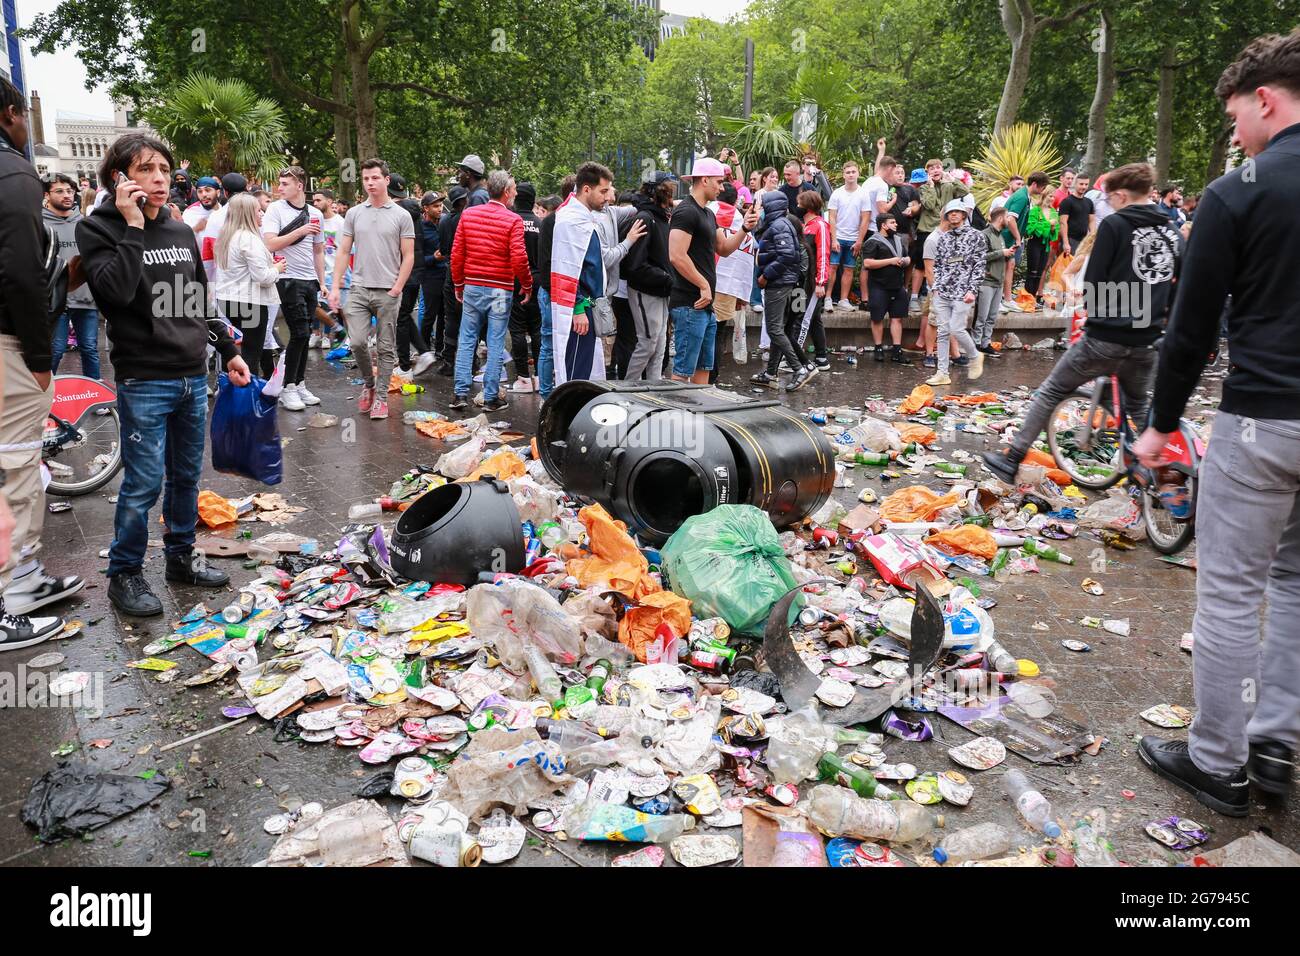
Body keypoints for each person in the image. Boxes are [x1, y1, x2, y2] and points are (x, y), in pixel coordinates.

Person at [1133, 29, 1300, 814]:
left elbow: (1191, 330)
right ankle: (1275, 745)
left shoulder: (1241, 189)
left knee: (1230, 593)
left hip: (1265, 418)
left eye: (1237, 116)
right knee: (1297, 585)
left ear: (1266, 100)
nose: (1234, 132)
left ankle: (1216, 762)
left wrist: (1159, 422)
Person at [77, 132, 251, 616]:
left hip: (192, 374)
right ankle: (125, 574)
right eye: (145, 170)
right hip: (144, 377)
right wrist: (133, 225)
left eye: (163, 169)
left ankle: (180, 558)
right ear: (120, 178)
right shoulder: (99, 229)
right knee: (143, 482)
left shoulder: (179, 231)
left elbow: (197, 299)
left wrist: (230, 350)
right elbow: (114, 293)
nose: (159, 178)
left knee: (185, 477)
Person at [983, 161, 1181, 485]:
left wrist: (1099, 313)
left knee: (1051, 391)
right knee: (1138, 406)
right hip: (1147, 340)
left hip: (1107, 335)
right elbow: (1180, 284)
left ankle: (1012, 457)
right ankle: (1154, 472)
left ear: (1120, 195)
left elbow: (1095, 281)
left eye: (1109, 199)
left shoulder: (1115, 226)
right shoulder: (1171, 232)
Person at [0, 80, 84, 646]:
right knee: (16, 466)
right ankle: (11, 597)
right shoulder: (13, 175)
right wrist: (38, 355)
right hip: (9, 346)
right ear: (12, 115)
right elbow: (21, 274)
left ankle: (26, 579)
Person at [330, 158, 416, 422]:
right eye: (366, 178)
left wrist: (397, 288)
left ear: (386, 180)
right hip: (358, 288)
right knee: (356, 342)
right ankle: (369, 383)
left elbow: (408, 255)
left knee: (386, 347)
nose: (370, 183)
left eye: (375, 178)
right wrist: (335, 287)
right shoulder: (354, 213)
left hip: (388, 290)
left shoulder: (402, 215)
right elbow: (343, 250)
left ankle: (380, 398)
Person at [668, 158, 759, 385]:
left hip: (706, 306)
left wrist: (745, 228)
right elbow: (676, 255)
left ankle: (698, 417)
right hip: (690, 303)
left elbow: (724, 248)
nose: (722, 188)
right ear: (705, 180)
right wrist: (703, 284)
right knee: (682, 371)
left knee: (703, 370)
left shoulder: (708, 214)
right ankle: (676, 418)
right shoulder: (686, 211)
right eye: (719, 182)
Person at [449, 169, 531, 412]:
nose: (515, 193)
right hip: (499, 289)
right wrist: (526, 284)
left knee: (467, 339)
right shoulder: (513, 220)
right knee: (495, 341)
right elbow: (518, 257)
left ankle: (460, 393)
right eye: (514, 189)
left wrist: (458, 283)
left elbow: (457, 254)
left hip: (473, 284)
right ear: (506, 192)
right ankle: (491, 396)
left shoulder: (469, 214)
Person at [263, 165, 326, 410]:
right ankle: (287, 387)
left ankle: (299, 383)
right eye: (279, 183)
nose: (279, 188)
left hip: (310, 280)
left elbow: (318, 249)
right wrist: (300, 230)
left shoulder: (315, 214)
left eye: (285, 184)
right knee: (298, 333)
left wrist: (321, 281)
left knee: (306, 333)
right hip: (287, 279)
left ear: (300, 186)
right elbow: (270, 243)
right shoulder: (275, 210)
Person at [213, 193, 285, 378]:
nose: (262, 214)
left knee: (239, 351)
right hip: (250, 302)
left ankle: (234, 391)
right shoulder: (249, 239)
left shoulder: (225, 238)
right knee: (251, 354)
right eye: (258, 210)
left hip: (227, 301)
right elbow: (262, 277)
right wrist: (277, 268)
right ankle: (246, 398)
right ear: (247, 214)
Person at [749, 189, 812, 391]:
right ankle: (770, 373)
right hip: (783, 282)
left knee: (775, 329)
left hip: (778, 283)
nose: (760, 209)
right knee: (779, 329)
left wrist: (766, 275)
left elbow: (786, 256)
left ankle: (799, 369)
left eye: (762, 205)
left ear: (770, 206)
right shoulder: (777, 224)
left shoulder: (779, 225)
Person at [923, 199, 986, 387]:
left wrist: (972, 290)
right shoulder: (943, 237)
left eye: (957, 212)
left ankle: (975, 355)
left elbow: (980, 265)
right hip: (943, 291)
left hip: (963, 292)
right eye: (950, 212)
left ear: (964, 215)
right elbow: (939, 265)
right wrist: (936, 287)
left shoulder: (976, 236)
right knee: (942, 331)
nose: (953, 215)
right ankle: (942, 372)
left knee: (956, 328)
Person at [44, 174, 101, 379]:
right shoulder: (39, 224)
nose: (67, 195)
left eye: (69, 191)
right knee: (56, 350)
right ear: (46, 195)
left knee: (89, 349)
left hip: (86, 299)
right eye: (59, 191)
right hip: (55, 301)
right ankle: (42, 398)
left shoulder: (85, 223)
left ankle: (97, 397)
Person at [621, 171, 676, 382]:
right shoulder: (646, 217)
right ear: (660, 192)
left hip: (660, 290)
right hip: (646, 291)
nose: (673, 193)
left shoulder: (660, 217)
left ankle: (654, 388)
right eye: (670, 189)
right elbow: (635, 264)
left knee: (659, 343)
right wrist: (665, 278)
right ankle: (628, 389)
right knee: (648, 342)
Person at [593, 179, 645, 380]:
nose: (610, 191)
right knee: (604, 338)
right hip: (592, 297)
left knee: (611, 337)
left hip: (608, 293)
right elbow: (606, 258)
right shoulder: (592, 219)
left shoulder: (610, 212)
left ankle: (604, 376)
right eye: (606, 188)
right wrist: (629, 241)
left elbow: (635, 208)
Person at [389, 174, 435, 380]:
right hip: (416, 271)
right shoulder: (414, 211)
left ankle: (405, 366)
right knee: (405, 315)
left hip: (403, 272)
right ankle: (423, 353)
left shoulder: (395, 213)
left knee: (401, 318)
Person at [912, 159, 971, 310]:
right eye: (931, 169)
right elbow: (930, 204)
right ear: (928, 173)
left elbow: (965, 191)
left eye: (938, 167)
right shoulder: (924, 188)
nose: (935, 170)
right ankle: (914, 296)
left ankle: (947, 291)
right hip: (927, 230)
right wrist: (931, 186)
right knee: (921, 265)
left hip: (946, 230)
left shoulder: (949, 185)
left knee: (948, 260)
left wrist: (953, 179)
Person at [535, 178, 574, 399]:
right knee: (551, 343)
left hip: (553, 291)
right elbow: (548, 261)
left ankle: (548, 396)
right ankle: (548, 396)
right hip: (554, 292)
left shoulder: (552, 220)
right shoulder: (556, 221)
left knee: (550, 344)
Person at [860, 212, 912, 363]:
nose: (896, 224)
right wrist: (890, 261)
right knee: (877, 319)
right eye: (892, 222)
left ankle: (897, 350)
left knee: (897, 319)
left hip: (897, 286)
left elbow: (906, 257)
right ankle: (878, 348)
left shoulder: (898, 239)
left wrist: (906, 260)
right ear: (883, 225)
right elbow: (867, 263)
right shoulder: (872, 241)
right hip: (879, 286)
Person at [508, 180, 542, 393]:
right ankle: (539, 376)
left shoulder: (510, 222)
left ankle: (522, 377)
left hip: (515, 280)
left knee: (518, 329)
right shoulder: (541, 223)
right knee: (538, 328)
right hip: (538, 280)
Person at [795, 190, 831, 369]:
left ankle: (796, 358)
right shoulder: (803, 226)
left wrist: (820, 282)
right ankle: (821, 357)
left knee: (804, 318)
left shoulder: (821, 226)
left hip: (812, 283)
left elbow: (823, 254)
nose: (797, 207)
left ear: (808, 206)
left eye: (799, 204)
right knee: (810, 317)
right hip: (799, 281)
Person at [826, 161, 868, 312]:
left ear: (858, 173)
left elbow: (865, 218)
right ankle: (828, 298)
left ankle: (844, 299)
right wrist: (834, 238)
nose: (850, 174)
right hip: (838, 236)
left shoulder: (863, 193)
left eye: (853, 172)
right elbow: (832, 217)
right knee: (832, 267)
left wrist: (859, 241)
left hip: (853, 239)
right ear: (843, 174)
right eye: (848, 172)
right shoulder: (837, 193)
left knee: (849, 269)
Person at [436, 185, 469, 377]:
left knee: (451, 318)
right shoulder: (467, 219)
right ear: (464, 201)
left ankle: (448, 360)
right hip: (466, 272)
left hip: (450, 271)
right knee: (469, 319)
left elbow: (444, 248)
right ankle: (469, 362)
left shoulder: (444, 221)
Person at [973, 206, 1016, 352]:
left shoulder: (1000, 235)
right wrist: (1001, 252)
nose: (1009, 220)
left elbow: (999, 254)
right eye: (1007, 217)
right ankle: (976, 344)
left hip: (998, 281)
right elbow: (979, 256)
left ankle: (986, 343)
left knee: (992, 316)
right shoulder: (984, 234)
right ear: (1000, 218)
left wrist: (1007, 253)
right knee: (982, 316)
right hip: (987, 281)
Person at [1004, 171, 1050, 303]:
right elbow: (1010, 219)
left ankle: (1006, 298)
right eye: (1042, 187)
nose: (1043, 191)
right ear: (1035, 184)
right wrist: (1018, 238)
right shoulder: (1022, 197)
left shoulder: (1026, 196)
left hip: (1011, 238)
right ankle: (1005, 300)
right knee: (1005, 268)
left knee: (1010, 266)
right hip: (1006, 237)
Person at [310, 188, 348, 348]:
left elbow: (348, 251)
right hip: (318, 273)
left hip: (337, 273)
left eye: (319, 200)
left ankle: (350, 340)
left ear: (330, 202)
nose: (315, 203)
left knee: (344, 311)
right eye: (314, 201)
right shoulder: (313, 221)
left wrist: (341, 276)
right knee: (314, 306)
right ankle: (325, 331)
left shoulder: (341, 223)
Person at [418, 191, 446, 361]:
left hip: (446, 275)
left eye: (440, 205)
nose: (439, 209)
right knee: (429, 314)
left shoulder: (444, 224)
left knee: (444, 315)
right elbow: (416, 257)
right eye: (435, 206)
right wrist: (433, 258)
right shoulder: (420, 228)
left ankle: (441, 349)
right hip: (430, 277)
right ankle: (424, 349)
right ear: (426, 208)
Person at [1057, 172, 1096, 258]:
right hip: (1070, 240)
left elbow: (1092, 221)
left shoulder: (1089, 202)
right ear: (1075, 184)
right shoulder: (1067, 202)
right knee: (1067, 268)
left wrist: (1092, 238)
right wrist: (1066, 243)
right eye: (1081, 184)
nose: (1084, 187)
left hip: (1083, 241)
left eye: (1086, 184)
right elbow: (1063, 223)